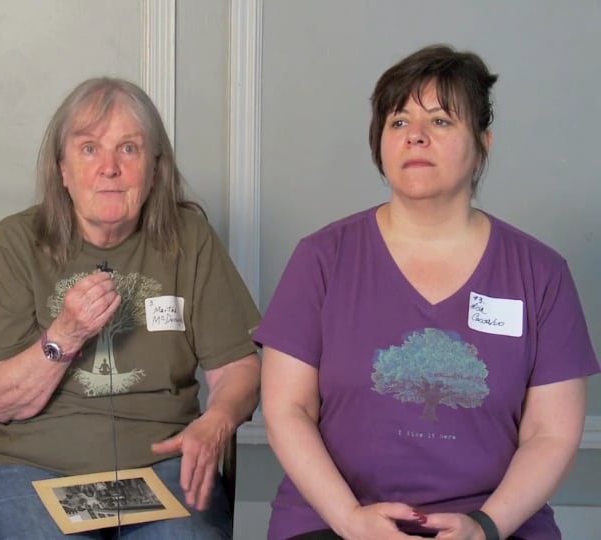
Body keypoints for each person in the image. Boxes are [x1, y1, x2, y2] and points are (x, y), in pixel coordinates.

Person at [256, 44, 599, 540]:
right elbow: (288, 410)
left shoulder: (541, 274)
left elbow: (552, 433)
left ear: (483, 142)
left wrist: (484, 526)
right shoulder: (321, 259)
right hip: (334, 520)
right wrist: (352, 521)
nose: (415, 136)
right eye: (398, 122)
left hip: (495, 525)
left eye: (440, 121)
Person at [0, 77, 261, 539]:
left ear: (155, 168)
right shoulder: (15, 241)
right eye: (88, 149)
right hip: (29, 466)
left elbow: (238, 368)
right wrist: (65, 333)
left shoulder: (189, 238)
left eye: (128, 149)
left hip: (161, 464)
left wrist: (218, 421)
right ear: (62, 168)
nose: (109, 168)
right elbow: (0, 401)